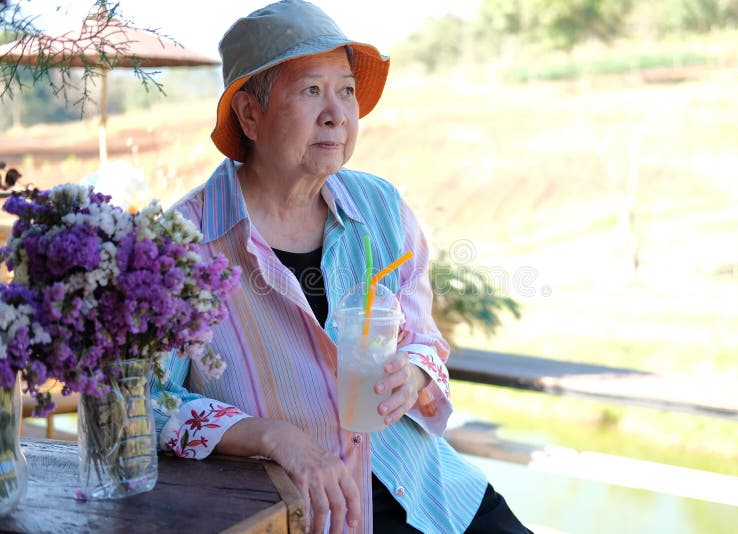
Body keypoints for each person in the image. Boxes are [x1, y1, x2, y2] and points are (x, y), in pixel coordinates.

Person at [150, 1, 531, 532]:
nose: (337, 113)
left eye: (346, 90)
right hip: (305, 511)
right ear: (250, 115)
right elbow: (148, 403)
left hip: (424, 488)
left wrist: (415, 371)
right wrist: (270, 435)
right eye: (311, 91)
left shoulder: (381, 207)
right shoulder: (182, 243)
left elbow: (425, 338)